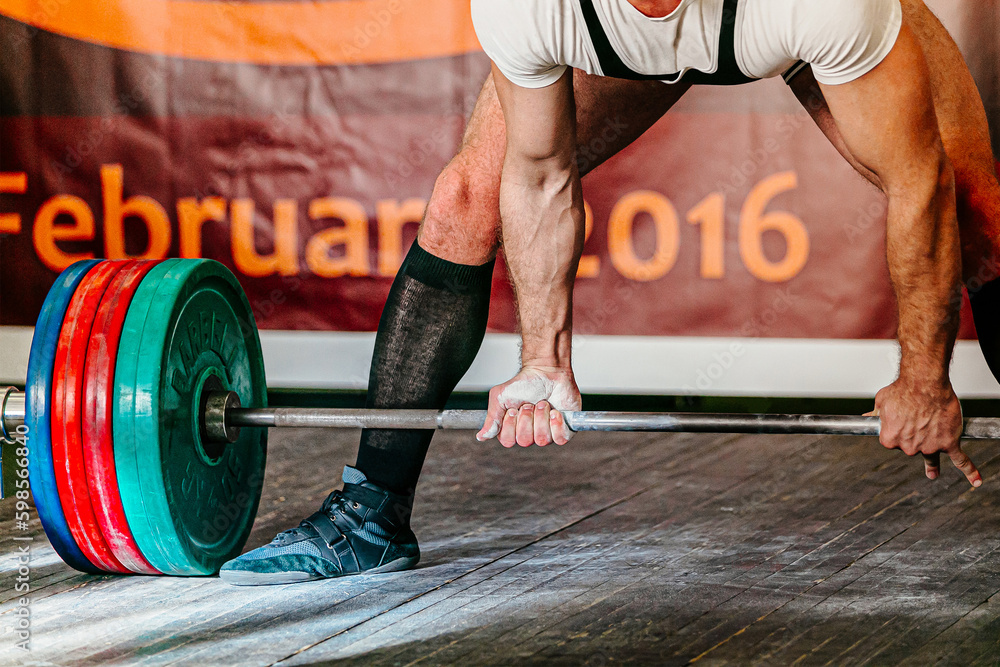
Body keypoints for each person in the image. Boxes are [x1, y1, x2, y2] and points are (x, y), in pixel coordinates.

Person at [219, 0, 1000, 586]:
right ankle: (371, 512)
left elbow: (915, 178)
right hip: (622, 47)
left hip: (774, 24)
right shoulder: (530, 3)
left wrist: (925, 380)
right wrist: (541, 360)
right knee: (464, 200)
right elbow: (540, 169)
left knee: (976, 212)